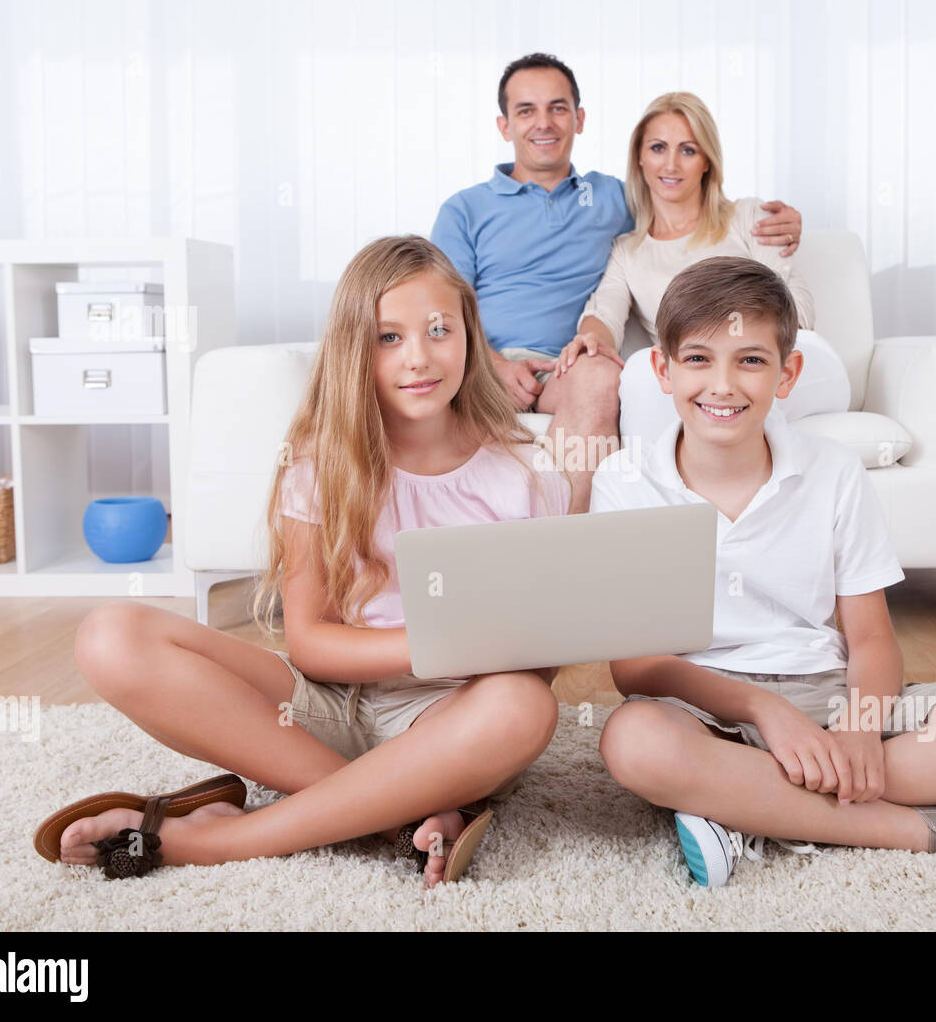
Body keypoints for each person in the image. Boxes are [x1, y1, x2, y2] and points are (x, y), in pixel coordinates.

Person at [35, 236, 570, 889]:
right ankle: (389, 813)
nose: (421, 357)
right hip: (324, 711)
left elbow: (541, 656)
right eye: (389, 338)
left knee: (523, 707)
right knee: (109, 636)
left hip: (449, 721)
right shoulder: (320, 466)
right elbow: (311, 645)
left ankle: (216, 841)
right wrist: (437, 643)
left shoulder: (524, 472)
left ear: (469, 334)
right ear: (354, 350)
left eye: (439, 331)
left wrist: (507, 648)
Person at [589, 256, 936, 887]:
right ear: (662, 370)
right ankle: (933, 830)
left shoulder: (834, 471)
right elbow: (635, 669)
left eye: (751, 360)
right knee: (633, 741)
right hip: (701, 708)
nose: (722, 385)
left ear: (788, 375)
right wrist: (762, 710)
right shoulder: (625, 480)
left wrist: (862, 730)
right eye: (698, 359)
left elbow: (869, 638)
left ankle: (747, 807)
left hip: (830, 695)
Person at [431, 53, 803, 513]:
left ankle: (575, 545)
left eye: (558, 108)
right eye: (526, 110)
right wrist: (493, 368)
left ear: (579, 118)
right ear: (504, 126)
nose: (543, 123)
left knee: (599, 374)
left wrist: (781, 223)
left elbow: (677, 203)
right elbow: (443, 307)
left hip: (562, 369)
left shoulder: (613, 198)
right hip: (481, 364)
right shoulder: (464, 210)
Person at [559, 91, 851, 447]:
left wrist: (732, 345)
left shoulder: (750, 218)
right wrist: (591, 339)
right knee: (641, 372)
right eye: (657, 148)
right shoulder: (628, 250)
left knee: (721, 385)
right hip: (699, 378)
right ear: (639, 157)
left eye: (688, 150)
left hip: (783, 362)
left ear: (707, 161)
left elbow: (800, 315)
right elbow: (603, 313)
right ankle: (670, 497)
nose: (671, 165)